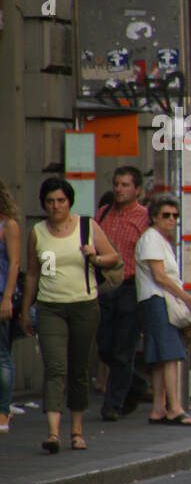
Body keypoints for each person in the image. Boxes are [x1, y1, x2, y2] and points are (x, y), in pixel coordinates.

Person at [18, 177, 121, 452]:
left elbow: (115, 257)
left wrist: (95, 256)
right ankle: (53, 433)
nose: (56, 206)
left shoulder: (87, 227)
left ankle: (76, 429)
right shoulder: (37, 232)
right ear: (44, 204)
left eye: (61, 201)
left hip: (84, 305)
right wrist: (27, 311)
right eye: (50, 201)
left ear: (69, 202)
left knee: (78, 369)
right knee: (55, 368)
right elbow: (32, 274)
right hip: (50, 306)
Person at [135, 194, 191, 425]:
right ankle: (174, 408)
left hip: (157, 300)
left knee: (162, 356)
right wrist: (186, 298)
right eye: (166, 215)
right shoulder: (152, 239)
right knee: (171, 355)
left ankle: (158, 408)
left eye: (175, 215)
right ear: (154, 217)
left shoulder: (159, 239)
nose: (172, 219)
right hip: (158, 299)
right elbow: (160, 276)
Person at [94, 166, 150, 421]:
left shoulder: (145, 218)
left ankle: (113, 404)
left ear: (137, 189)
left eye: (125, 185)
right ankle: (137, 383)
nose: (118, 189)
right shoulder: (104, 213)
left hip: (130, 287)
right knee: (104, 345)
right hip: (104, 286)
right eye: (116, 184)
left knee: (123, 348)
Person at [0, 178, 21, 432]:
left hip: (1, 291)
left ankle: (3, 411)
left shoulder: (9, 225)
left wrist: (7, 297)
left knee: (2, 354)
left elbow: (15, 263)